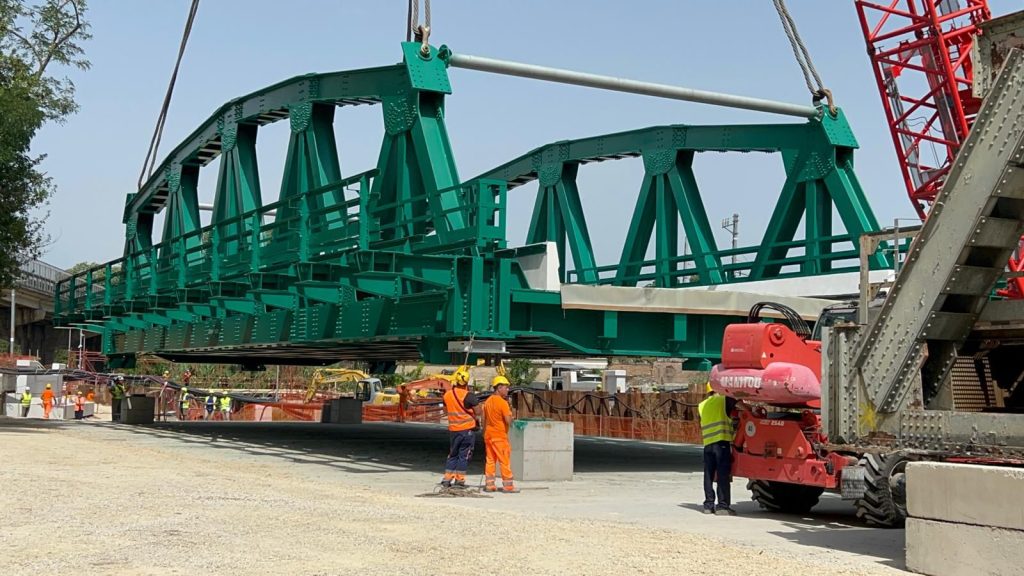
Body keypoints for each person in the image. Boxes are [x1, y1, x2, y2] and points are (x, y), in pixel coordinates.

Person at [699, 382, 744, 515]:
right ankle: (723, 506)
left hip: (707, 444)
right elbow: (741, 407)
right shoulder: (724, 399)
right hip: (721, 443)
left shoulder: (702, 405)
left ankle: (708, 505)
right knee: (722, 475)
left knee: (708, 475)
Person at [440, 367, 479, 489]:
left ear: (455, 381)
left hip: (454, 430)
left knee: (453, 454)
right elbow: (479, 411)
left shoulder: (447, 395)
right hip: (467, 430)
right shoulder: (469, 396)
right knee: (464, 455)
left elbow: (446, 411)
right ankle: (459, 480)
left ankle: (447, 479)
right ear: (467, 383)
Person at [482, 375, 517, 493]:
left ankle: (489, 485)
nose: (507, 390)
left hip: (488, 435)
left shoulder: (487, 401)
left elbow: (483, 419)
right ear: (499, 387)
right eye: (506, 387)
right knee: (504, 461)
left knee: (490, 460)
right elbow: (508, 421)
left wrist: (484, 433)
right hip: (499, 436)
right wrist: (512, 418)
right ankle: (508, 486)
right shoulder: (503, 403)